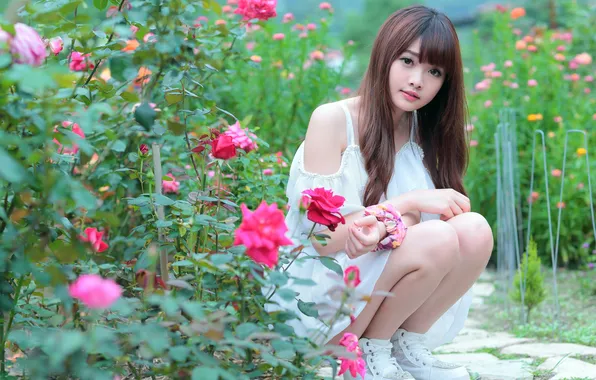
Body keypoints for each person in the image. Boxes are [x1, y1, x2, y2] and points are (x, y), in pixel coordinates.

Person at [266, 5, 493, 380]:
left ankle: (403, 345)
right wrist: (407, 204)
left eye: (434, 71)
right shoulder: (333, 120)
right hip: (322, 302)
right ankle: (364, 352)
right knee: (436, 236)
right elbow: (322, 239)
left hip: (374, 291)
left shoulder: (426, 133)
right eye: (407, 61)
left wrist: (401, 218)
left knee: (475, 229)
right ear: (385, 56)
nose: (417, 80)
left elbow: (412, 231)